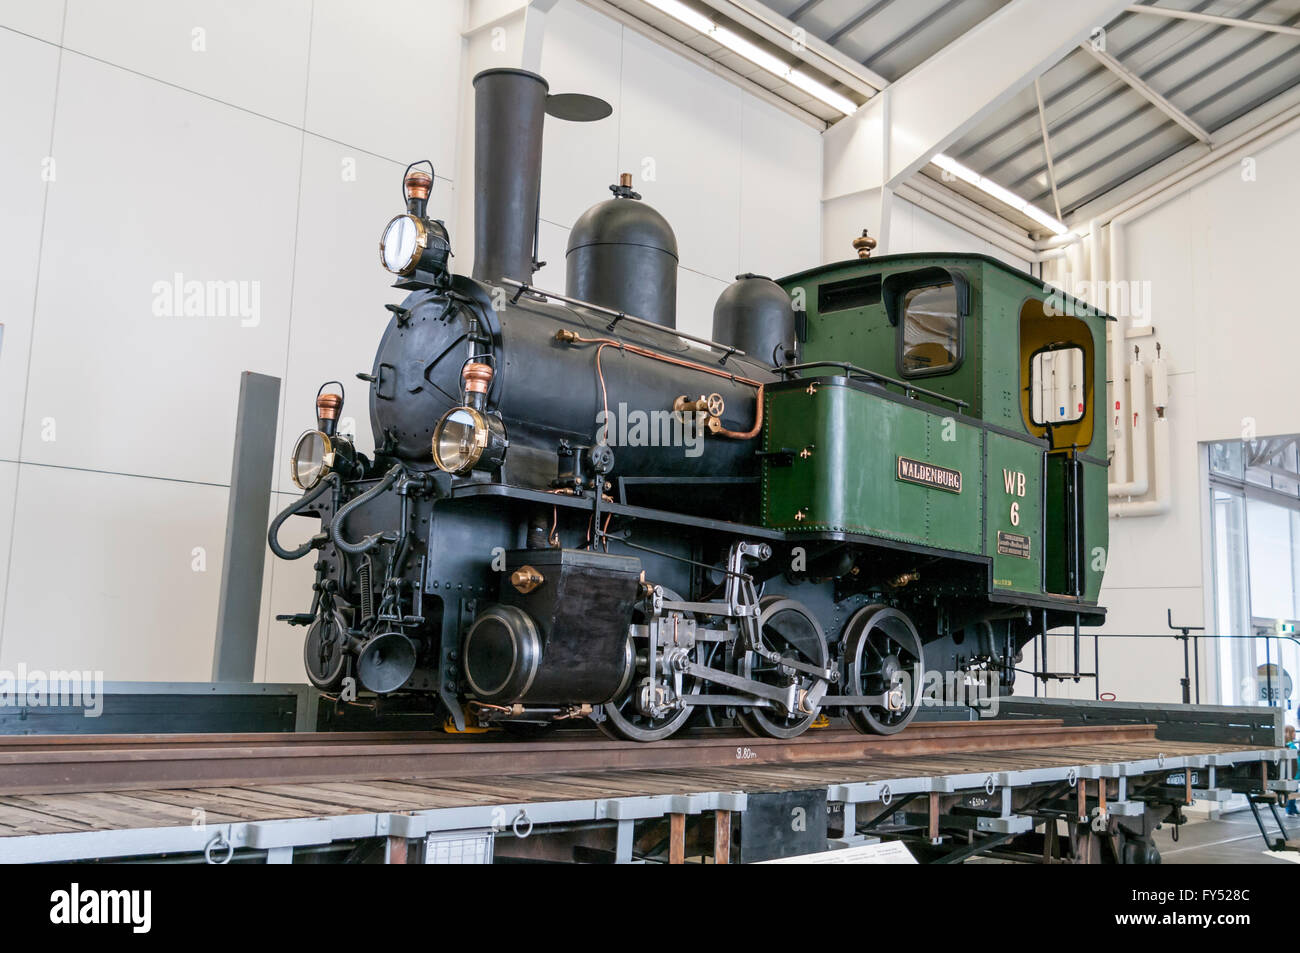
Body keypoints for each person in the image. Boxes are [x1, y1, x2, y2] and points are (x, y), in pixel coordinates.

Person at [1287, 725, 1298, 816]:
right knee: (1293, 791)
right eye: (1293, 732)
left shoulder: (1286, 746)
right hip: (1294, 773)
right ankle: (1291, 809)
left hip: (1290, 773)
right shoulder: (1292, 747)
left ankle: (1291, 809)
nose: (1295, 734)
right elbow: (1296, 762)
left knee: (1292, 790)